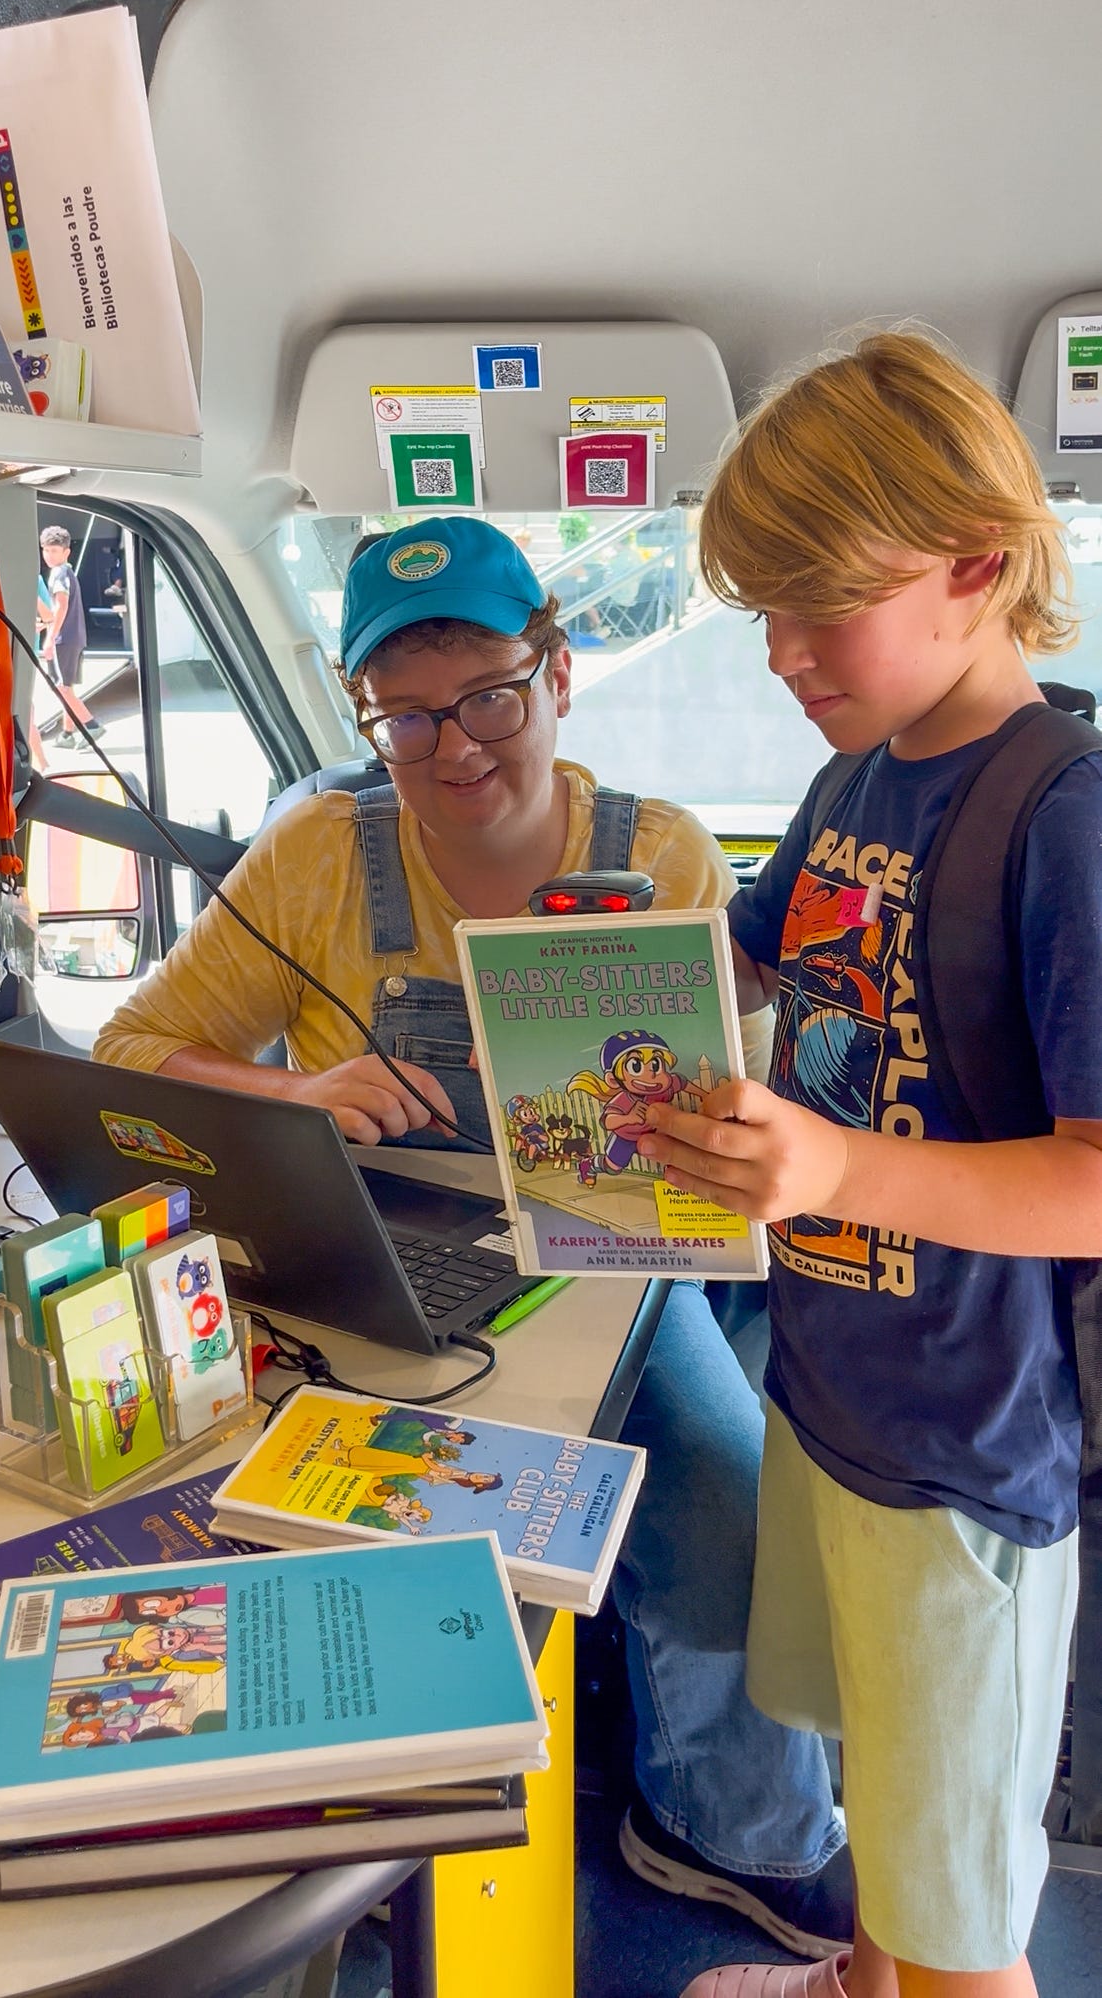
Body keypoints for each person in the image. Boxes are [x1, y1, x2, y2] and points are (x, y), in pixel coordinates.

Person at [94, 516, 851, 1956]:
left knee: (737, 1529)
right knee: (254, 1513)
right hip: (361, 1264)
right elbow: (137, 1047)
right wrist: (293, 1089)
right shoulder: (315, 850)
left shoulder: (665, 853)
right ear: (365, 714)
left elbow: (724, 1136)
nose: (455, 747)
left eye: (491, 696)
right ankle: (360, 1832)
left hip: (617, 1268)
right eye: (407, 715)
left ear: (555, 670)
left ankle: (722, 1826)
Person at [638, 335, 1096, 1998]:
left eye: (818, 602)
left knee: (970, 1914)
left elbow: (1094, 1177)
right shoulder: (855, 776)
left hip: (965, 1451)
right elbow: (758, 963)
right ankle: (856, 1976)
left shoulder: (1065, 814)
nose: (780, 653)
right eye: (761, 609)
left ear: (978, 564)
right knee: (890, 1808)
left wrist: (829, 1166)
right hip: (836, 1396)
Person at [39, 524, 104, 746]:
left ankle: (92, 726)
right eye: (46, 550)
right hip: (74, 637)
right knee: (67, 686)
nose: (49, 555)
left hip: (62, 639)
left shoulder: (59, 573)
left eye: (54, 550)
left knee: (61, 687)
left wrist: (50, 637)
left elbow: (62, 606)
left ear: (66, 552)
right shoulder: (68, 571)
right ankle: (67, 734)